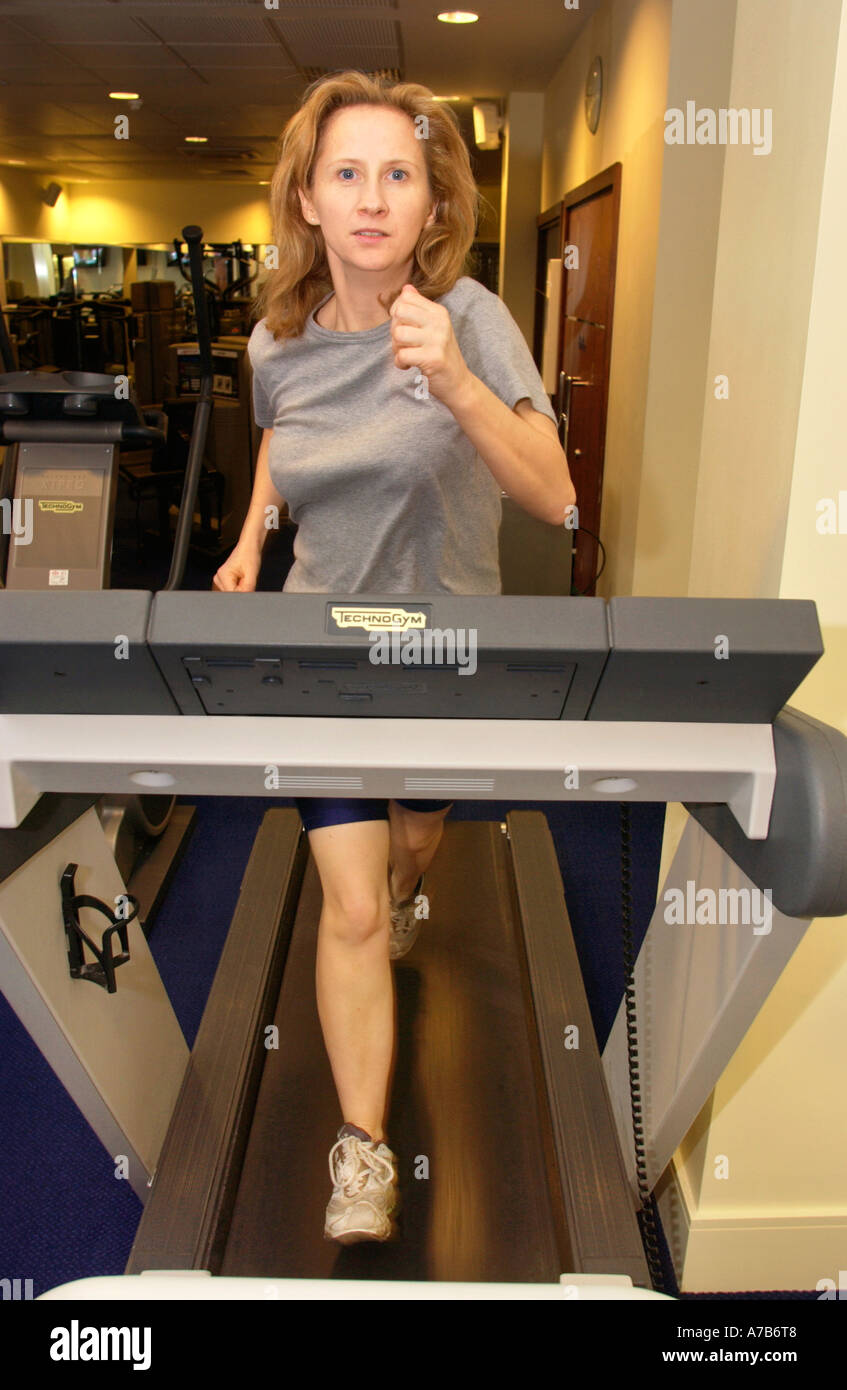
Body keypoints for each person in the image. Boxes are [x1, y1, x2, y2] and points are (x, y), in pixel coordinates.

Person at [212, 70, 576, 1244]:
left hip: (447, 650)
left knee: (413, 844)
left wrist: (458, 383)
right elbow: (282, 433)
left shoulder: (468, 315)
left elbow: (556, 495)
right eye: (346, 173)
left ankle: (414, 870)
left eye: (399, 174)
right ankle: (363, 1148)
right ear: (309, 200)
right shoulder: (274, 339)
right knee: (352, 908)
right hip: (325, 650)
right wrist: (250, 532)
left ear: (432, 205)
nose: (372, 197)